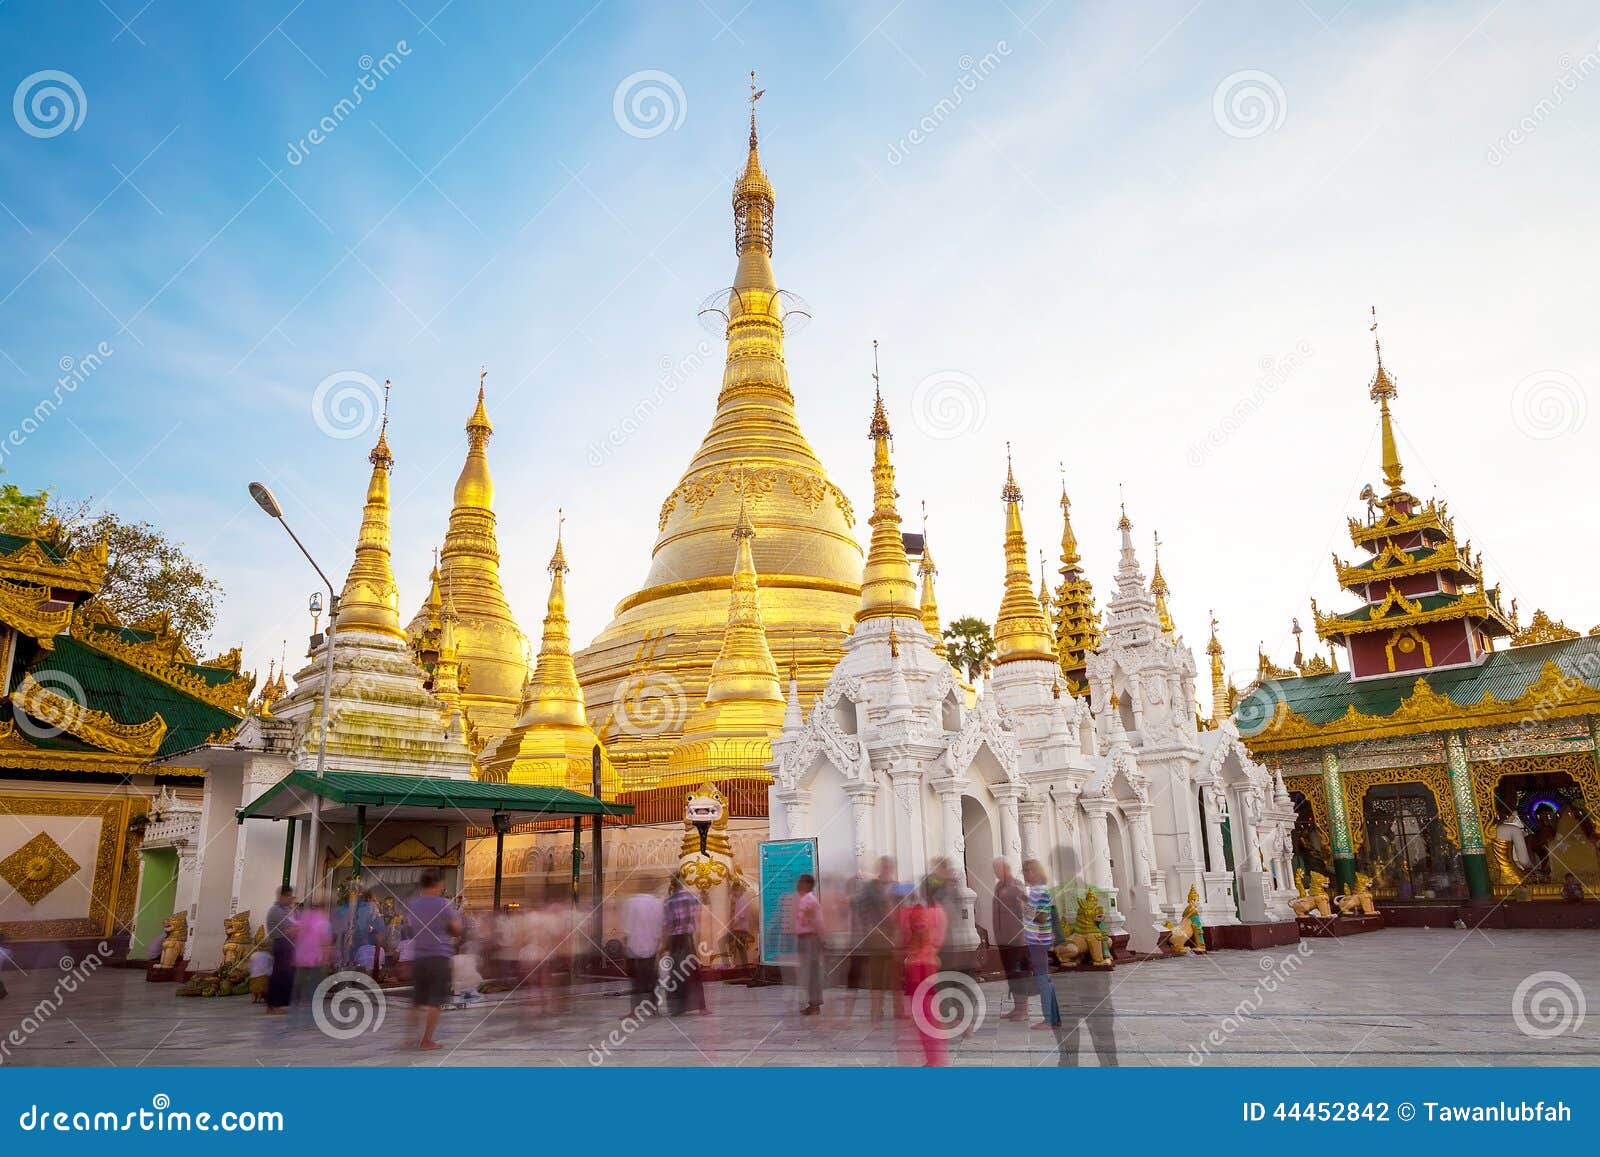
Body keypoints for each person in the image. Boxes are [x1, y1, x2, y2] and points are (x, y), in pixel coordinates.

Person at [403, 871, 462, 1051]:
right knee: (434, 1001)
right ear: (437, 885)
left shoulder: (413, 904)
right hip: (439, 956)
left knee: (417, 1000)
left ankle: (408, 1038)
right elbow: (457, 928)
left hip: (420, 957)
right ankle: (426, 1040)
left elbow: (410, 926)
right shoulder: (444, 904)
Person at [898, 881, 949, 1065]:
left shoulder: (920, 912)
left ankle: (934, 1059)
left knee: (923, 1014)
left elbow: (917, 937)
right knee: (929, 1013)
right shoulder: (940, 911)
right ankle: (935, 1057)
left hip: (919, 966)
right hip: (930, 963)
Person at [1021, 859, 1061, 1030]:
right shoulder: (1036, 891)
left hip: (1039, 940)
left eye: (1027, 870)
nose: (1024, 873)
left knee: (1043, 979)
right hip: (1036, 939)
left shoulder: (1040, 892)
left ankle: (1049, 1019)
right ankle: (1053, 1017)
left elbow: (1042, 917)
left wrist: (1026, 909)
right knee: (1045, 978)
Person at [992, 858, 1030, 1022]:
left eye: (998, 868)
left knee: (1018, 973)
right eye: (995, 869)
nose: (996, 872)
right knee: (1010, 974)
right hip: (1003, 939)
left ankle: (1023, 1010)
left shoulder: (1016, 886)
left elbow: (1028, 908)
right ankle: (1017, 1007)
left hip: (1017, 939)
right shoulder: (998, 886)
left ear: (1007, 868)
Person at [663, 874, 707, 1015]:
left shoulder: (669, 902)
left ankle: (677, 1008)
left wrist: (664, 945)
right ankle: (702, 1007)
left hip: (675, 940)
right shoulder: (692, 897)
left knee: (675, 973)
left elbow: (667, 925)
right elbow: (698, 920)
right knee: (693, 972)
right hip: (688, 938)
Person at [619, 885, 665, 1009]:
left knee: (636, 981)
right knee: (652, 979)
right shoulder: (657, 903)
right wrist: (659, 944)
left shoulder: (631, 902)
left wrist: (625, 945)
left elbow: (627, 927)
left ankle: (634, 1010)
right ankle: (654, 1008)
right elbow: (660, 925)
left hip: (633, 946)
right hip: (651, 946)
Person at [290, 897, 332, 1025]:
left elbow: (294, 933)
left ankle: (294, 1008)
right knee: (314, 985)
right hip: (315, 958)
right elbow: (325, 940)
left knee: (299, 983)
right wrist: (327, 956)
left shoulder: (304, 918)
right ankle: (312, 1013)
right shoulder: (323, 921)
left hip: (301, 957)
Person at [793, 873, 825, 1016]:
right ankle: (813, 1003)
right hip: (807, 938)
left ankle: (814, 1004)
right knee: (810, 972)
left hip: (809, 939)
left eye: (800, 881)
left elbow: (815, 921)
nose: (798, 884)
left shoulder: (809, 900)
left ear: (807, 884)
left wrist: (818, 937)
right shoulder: (805, 899)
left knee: (811, 973)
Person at [264, 886, 297, 1014]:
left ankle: (277, 1004)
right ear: (282, 897)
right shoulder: (276, 911)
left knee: (286, 975)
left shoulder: (287, 909)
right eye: (289, 896)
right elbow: (289, 928)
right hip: (280, 944)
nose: (291, 899)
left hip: (288, 945)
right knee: (279, 975)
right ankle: (273, 1005)